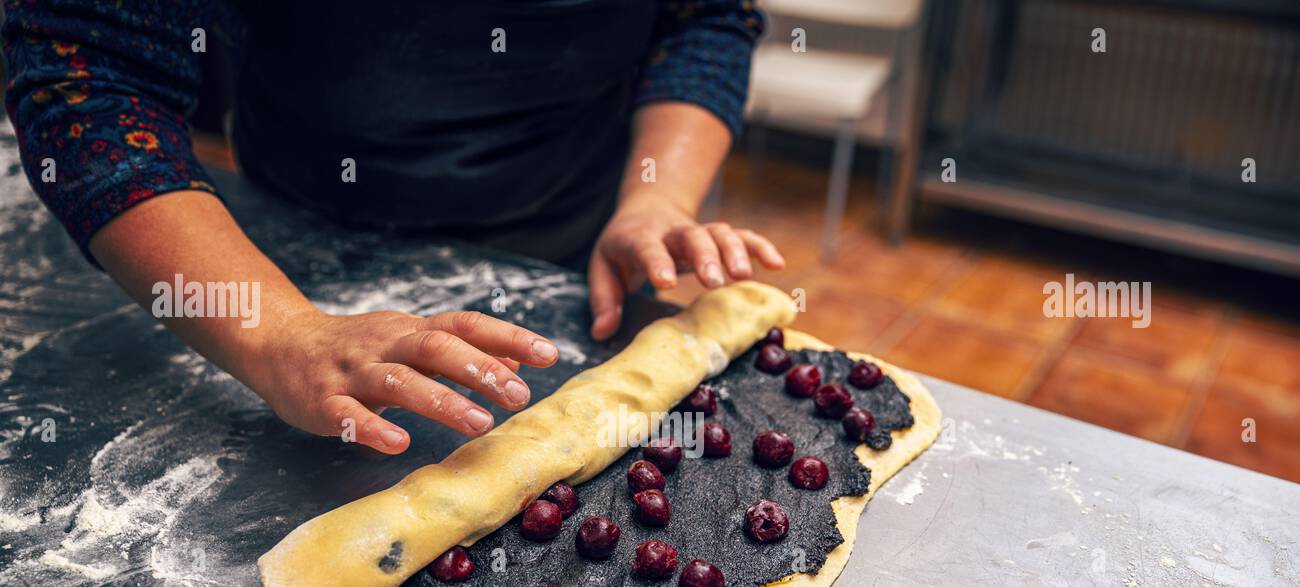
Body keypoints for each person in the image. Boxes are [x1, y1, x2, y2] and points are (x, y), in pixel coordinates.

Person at [3, 0, 785, 454]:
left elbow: (704, 17)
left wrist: (657, 199)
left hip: (577, 243)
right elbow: (89, 73)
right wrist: (278, 332)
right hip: (282, 253)